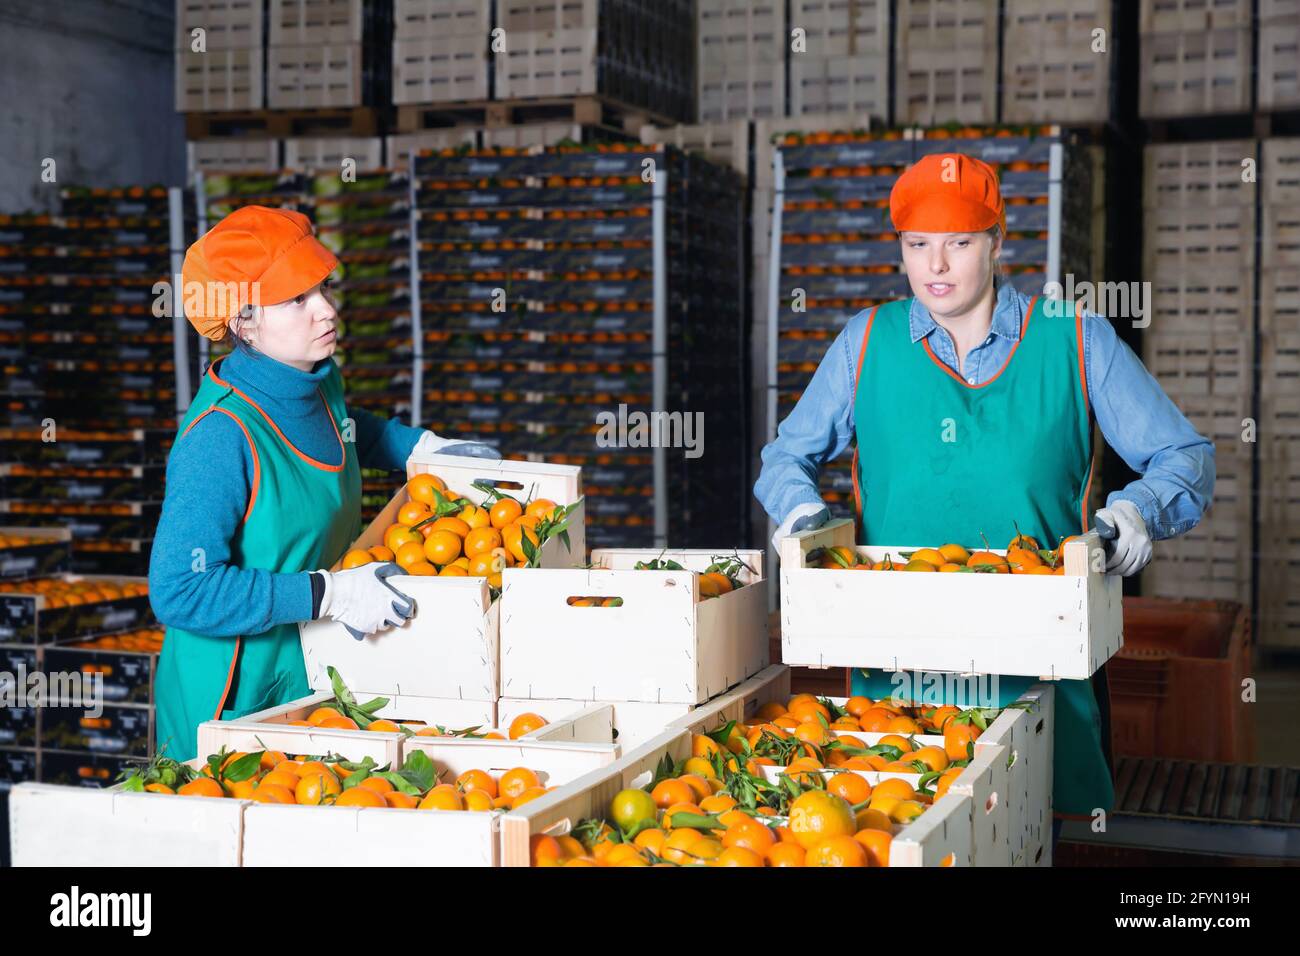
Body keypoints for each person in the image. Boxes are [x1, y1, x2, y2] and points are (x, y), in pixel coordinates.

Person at [755, 153, 1215, 844]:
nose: (935, 265)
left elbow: (1186, 457)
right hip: (899, 681)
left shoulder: (1075, 341)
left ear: (999, 242)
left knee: (1030, 838)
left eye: (959, 243)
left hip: (1039, 676)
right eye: (918, 246)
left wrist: (1134, 513)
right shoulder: (867, 343)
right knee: (901, 837)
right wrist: (803, 517)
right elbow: (785, 457)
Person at [150, 205, 498, 761]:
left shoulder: (311, 379)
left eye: (323, 289)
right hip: (234, 701)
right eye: (297, 299)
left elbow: (339, 429)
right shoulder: (219, 439)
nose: (327, 311)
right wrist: (328, 594)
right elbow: (179, 591)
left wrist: (420, 448)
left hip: (315, 659)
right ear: (243, 321)